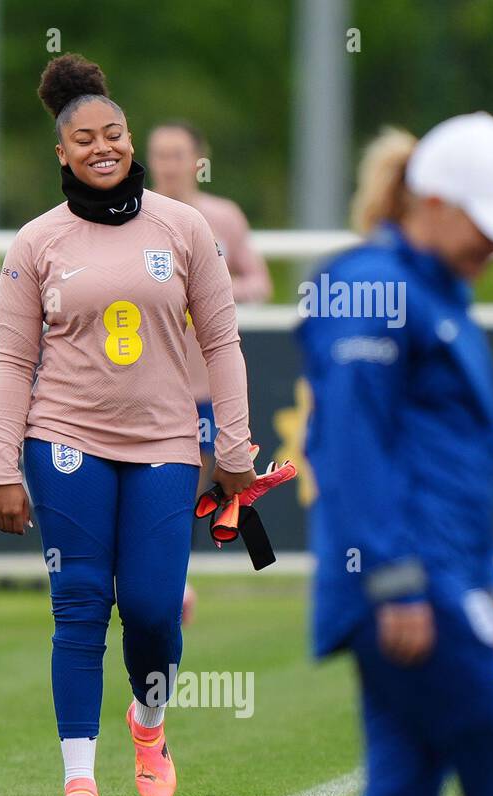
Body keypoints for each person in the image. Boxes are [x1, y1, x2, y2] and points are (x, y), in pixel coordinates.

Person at [0, 55, 254, 796]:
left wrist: (232, 449)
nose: (102, 148)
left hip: (167, 442)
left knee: (151, 609)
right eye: (85, 139)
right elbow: (11, 362)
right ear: (61, 153)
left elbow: (224, 344)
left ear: (130, 140)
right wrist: (5, 466)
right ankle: (78, 780)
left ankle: (149, 724)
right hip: (64, 436)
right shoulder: (36, 242)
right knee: (77, 602)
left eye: (115, 134)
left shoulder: (186, 226)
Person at [300, 114, 493, 796]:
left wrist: (485, 582)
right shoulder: (370, 289)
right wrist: (397, 577)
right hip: (407, 584)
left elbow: (453, 467)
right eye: (488, 224)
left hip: (437, 580)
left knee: (405, 795)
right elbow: (353, 447)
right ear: (434, 203)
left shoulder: (440, 296)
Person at [147, 121, 272, 621]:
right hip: (155, 379)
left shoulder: (223, 218)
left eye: (179, 154)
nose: (169, 164)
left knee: (213, 480)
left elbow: (259, 280)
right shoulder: (139, 215)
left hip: (207, 378)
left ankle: (198, 572)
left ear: (199, 159)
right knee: (169, 483)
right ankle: (172, 581)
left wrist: (215, 292)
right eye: (160, 154)